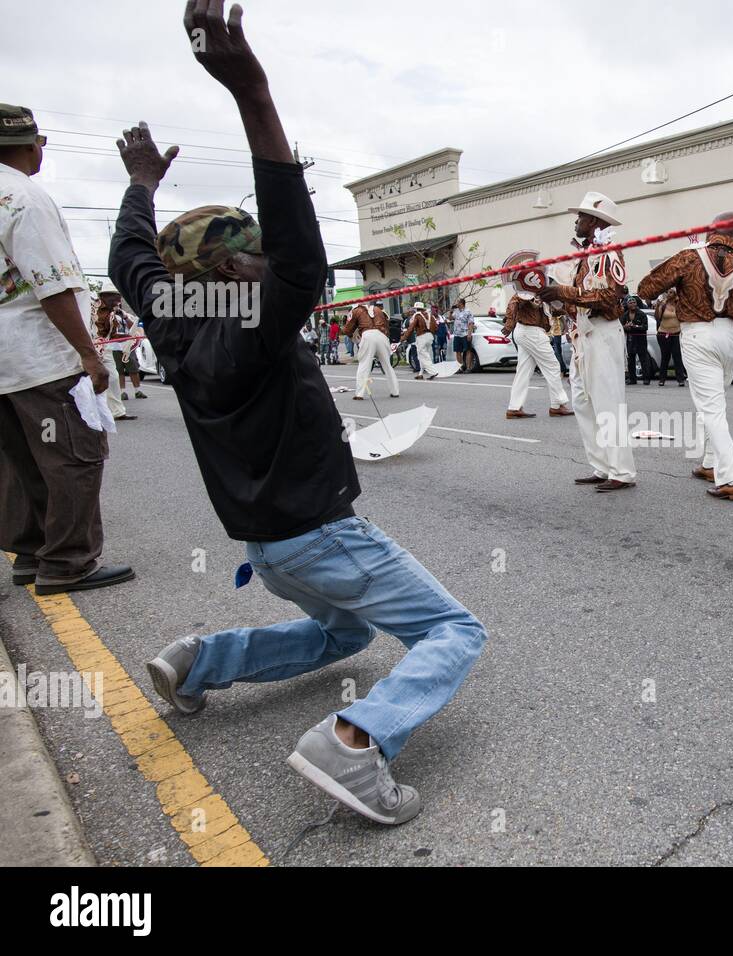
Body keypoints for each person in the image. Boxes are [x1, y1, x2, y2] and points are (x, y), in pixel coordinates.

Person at [111, 3, 485, 827]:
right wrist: (253, 92)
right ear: (228, 270)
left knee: (342, 636)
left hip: (268, 547)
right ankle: (356, 743)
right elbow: (299, 248)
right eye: (245, 249)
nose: (261, 254)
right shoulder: (260, 316)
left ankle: (198, 662)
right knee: (456, 631)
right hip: (321, 536)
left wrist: (141, 188)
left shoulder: (173, 319)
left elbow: (128, 256)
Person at [0, 103, 134, 595]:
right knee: (74, 455)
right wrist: (87, 354)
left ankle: (31, 554)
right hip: (39, 357)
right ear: (32, 144)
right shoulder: (21, 197)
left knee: (20, 461)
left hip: (3, 366)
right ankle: (69, 562)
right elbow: (52, 284)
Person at [638, 212, 733, 502]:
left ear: (711, 230)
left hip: (698, 335)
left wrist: (676, 291)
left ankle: (732, 479)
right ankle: (710, 463)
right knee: (716, 404)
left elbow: (645, 288)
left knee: (711, 409)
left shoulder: (689, 256)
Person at [538, 190, 636, 492]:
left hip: (603, 334)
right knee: (583, 403)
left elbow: (609, 298)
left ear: (594, 221)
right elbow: (581, 299)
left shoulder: (609, 252)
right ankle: (601, 466)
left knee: (607, 403)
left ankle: (622, 471)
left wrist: (562, 293)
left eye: (580, 217)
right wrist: (556, 300)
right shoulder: (586, 256)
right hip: (582, 336)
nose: (576, 221)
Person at [502, 280, 572, 419]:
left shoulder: (539, 294)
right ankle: (558, 404)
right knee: (552, 366)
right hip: (531, 332)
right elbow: (513, 303)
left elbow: (551, 311)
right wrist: (509, 324)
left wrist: (566, 308)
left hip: (528, 332)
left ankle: (514, 408)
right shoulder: (526, 292)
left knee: (523, 371)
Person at [93, 282, 134, 421]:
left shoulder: (113, 314)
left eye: (119, 297)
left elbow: (113, 335)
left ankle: (117, 412)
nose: (118, 301)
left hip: (105, 349)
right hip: (89, 348)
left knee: (113, 377)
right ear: (105, 296)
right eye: (116, 297)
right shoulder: (91, 307)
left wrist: (131, 336)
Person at [343, 300, 397, 399]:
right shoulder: (378, 309)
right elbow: (388, 325)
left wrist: (353, 335)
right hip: (382, 336)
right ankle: (395, 391)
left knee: (364, 364)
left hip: (367, 335)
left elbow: (347, 329)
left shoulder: (355, 310)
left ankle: (359, 394)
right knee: (388, 366)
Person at [622, 294, 657, 385]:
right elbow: (621, 327)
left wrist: (635, 327)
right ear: (627, 305)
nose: (633, 304)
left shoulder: (641, 314)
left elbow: (645, 327)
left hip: (640, 340)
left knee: (643, 359)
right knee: (631, 360)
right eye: (630, 303)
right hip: (630, 340)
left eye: (634, 302)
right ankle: (632, 379)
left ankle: (646, 378)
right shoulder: (625, 315)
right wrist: (626, 327)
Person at [654, 289, 686, 387]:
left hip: (676, 334)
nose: (669, 294)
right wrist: (657, 306)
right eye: (669, 292)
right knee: (665, 356)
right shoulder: (663, 305)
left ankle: (680, 379)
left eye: (672, 292)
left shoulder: (678, 304)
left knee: (677, 356)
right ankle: (662, 379)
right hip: (664, 334)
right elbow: (657, 317)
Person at [399, 301, 434, 379]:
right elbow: (436, 326)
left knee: (423, 355)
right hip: (430, 336)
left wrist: (404, 337)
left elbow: (411, 328)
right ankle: (420, 373)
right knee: (422, 354)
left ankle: (433, 372)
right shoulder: (429, 315)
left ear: (416, 309)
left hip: (421, 336)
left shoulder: (417, 316)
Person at [449, 297, 474, 372]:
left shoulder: (468, 311)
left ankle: (468, 367)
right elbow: (450, 318)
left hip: (465, 334)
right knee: (458, 351)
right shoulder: (456, 311)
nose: (456, 304)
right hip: (457, 334)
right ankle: (460, 367)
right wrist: (450, 311)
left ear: (461, 303)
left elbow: (471, 323)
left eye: (458, 302)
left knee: (468, 350)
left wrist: (469, 334)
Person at [548, 307, 569, 378]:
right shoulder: (544, 308)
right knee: (550, 353)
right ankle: (554, 371)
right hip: (548, 333)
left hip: (557, 333)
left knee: (557, 352)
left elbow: (562, 319)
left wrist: (566, 330)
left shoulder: (554, 306)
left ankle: (562, 370)